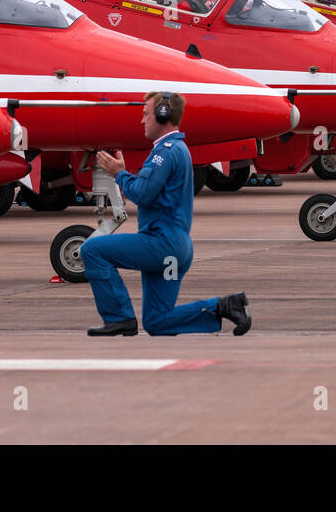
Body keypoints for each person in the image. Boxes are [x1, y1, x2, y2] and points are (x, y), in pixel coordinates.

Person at [82, 91, 252, 336]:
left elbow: (142, 193)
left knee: (92, 250)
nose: (142, 121)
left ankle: (119, 318)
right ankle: (224, 306)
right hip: (175, 247)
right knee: (157, 322)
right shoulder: (178, 149)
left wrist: (119, 173)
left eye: (146, 114)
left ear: (163, 115)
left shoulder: (165, 151)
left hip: (161, 244)